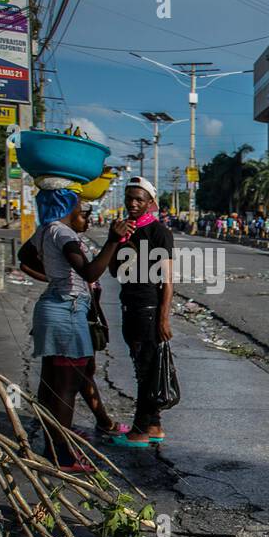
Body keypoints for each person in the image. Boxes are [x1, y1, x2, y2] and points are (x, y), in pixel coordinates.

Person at [26, 189, 131, 471]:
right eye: (83, 211)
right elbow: (90, 273)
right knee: (66, 388)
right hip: (66, 313)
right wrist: (112, 240)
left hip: (55, 307)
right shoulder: (64, 235)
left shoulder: (47, 230)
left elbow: (25, 256)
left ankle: (54, 443)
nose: (87, 216)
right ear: (68, 208)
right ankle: (61, 455)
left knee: (53, 384)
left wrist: (55, 276)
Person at [109, 177, 175, 448]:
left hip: (147, 308)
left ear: (150, 203)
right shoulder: (122, 230)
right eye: (129, 198)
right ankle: (155, 424)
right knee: (144, 367)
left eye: (139, 199)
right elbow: (114, 271)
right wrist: (118, 240)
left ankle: (138, 431)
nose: (133, 204)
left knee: (146, 372)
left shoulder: (160, 232)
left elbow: (168, 280)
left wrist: (163, 317)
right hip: (130, 305)